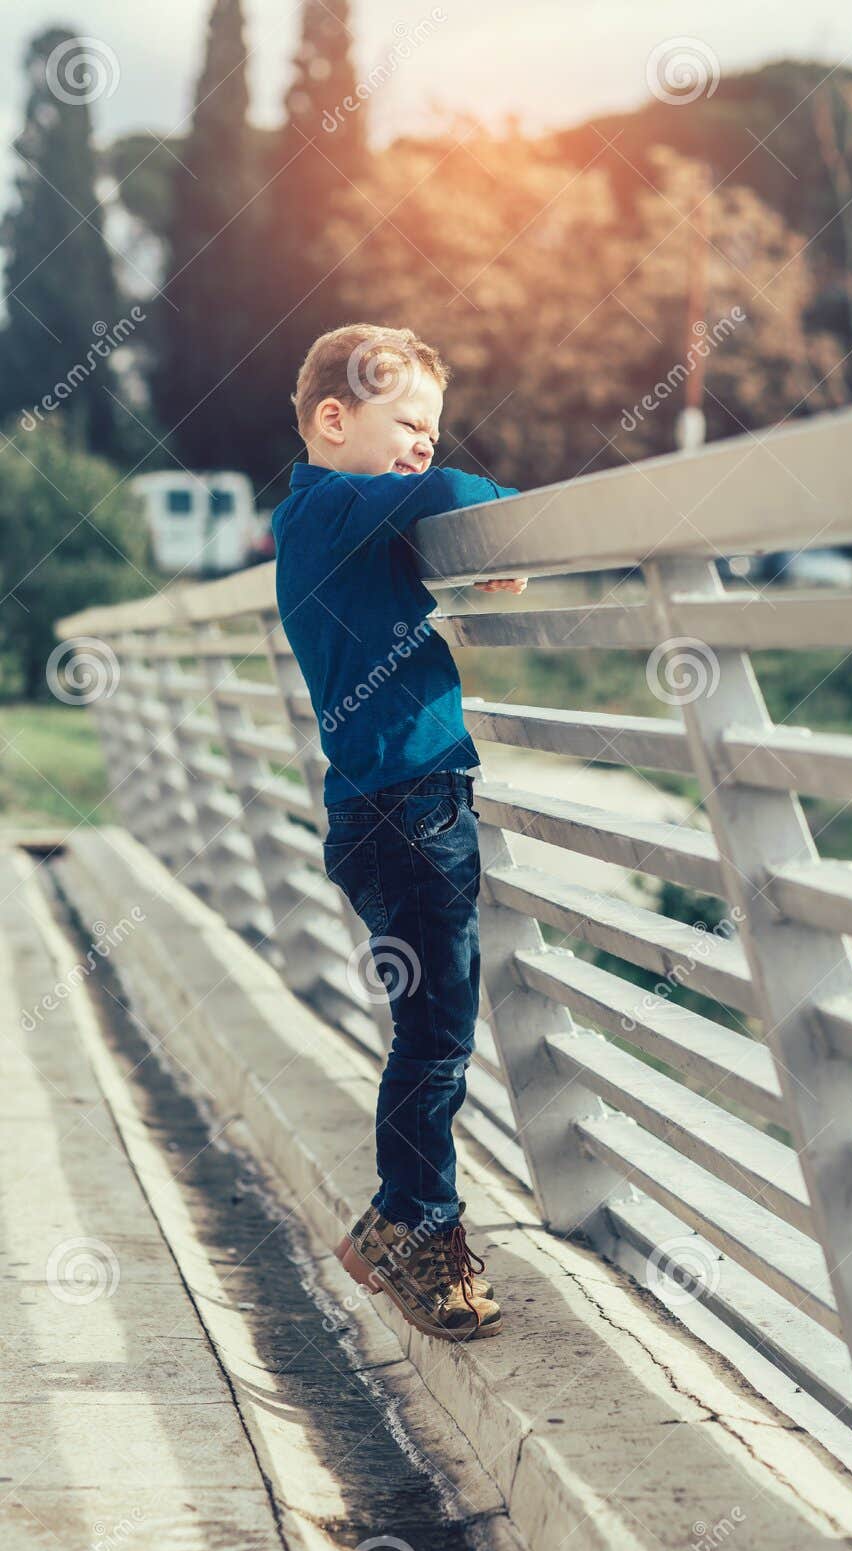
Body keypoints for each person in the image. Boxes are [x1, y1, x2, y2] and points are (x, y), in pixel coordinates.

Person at [272, 323, 526, 1342]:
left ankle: (394, 1219)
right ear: (334, 420)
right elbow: (454, 498)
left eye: (434, 428)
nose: (423, 443)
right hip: (407, 813)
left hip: (395, 810)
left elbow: (420, 511)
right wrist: (501, 531)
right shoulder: (332, 507)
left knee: (430, 1033)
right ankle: (422, 1226)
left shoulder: (329, 523)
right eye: (405, 422)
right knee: (433, 1042)